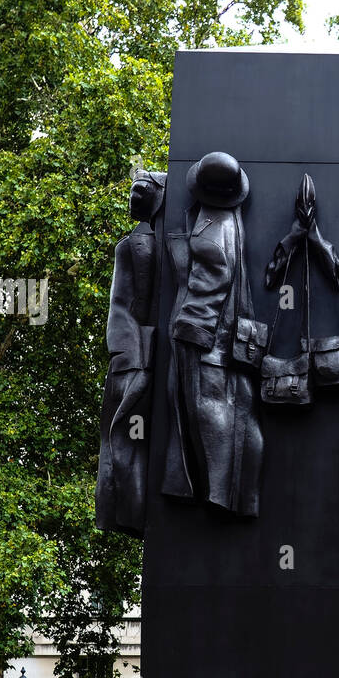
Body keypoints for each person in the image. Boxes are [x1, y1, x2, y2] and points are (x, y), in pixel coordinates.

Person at [161, 151, 264, 515]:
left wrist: (190, 330)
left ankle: (222, 494)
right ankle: (226, 493)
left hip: (203, 338)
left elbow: (212, 283)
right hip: (210, 337)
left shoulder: (217, 228)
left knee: (211, 411)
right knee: (221, 412)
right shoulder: (225, 220)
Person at [96, 169, 166, 536]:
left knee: (135, 442)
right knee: (124, 440)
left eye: (145, 187)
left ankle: (135, 511)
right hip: (134, 358)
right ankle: (129, 512)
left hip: (161, 357)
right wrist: (132, 359)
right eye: (135, 187)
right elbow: (119, 308)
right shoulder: (130, 245)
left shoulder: (176, 240)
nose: (136, 193)